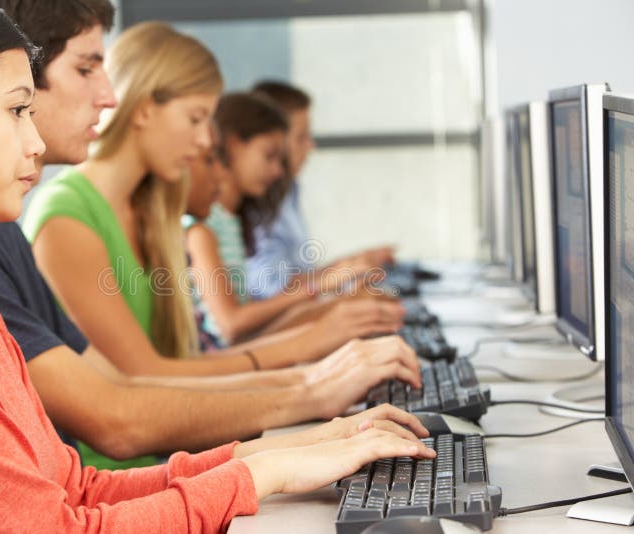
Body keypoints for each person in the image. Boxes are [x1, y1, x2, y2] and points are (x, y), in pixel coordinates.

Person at [0, 3, 435, 529]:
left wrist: (284, 454)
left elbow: (77, 488)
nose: (33, 144)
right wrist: (266, 472)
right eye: (17, 111)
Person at [23, 22, 407, 375]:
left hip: (176, 444)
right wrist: (311, 353)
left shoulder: (152, 212)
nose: (207, 141)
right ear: (143, 109)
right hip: (148, 450)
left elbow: (185, 364)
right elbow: (148, 378)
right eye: (195, 119)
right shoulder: (67, 217)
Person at [186, 92, 405, 346]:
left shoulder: (230, 222)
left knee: (351, 312)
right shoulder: (202, 231)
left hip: (246, 347)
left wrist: (335, 289)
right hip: (229, 358)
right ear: (233, 146)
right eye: (269, 156)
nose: (279, 171)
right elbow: (232, 326)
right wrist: (318, 287)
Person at [246, 80, 397, 300]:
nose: (310, 146)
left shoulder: (290, 191)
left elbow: (297, 277)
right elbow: (269, 288)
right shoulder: (252, 203)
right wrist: (336, 277)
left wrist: (350, 267)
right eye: (301, 137)